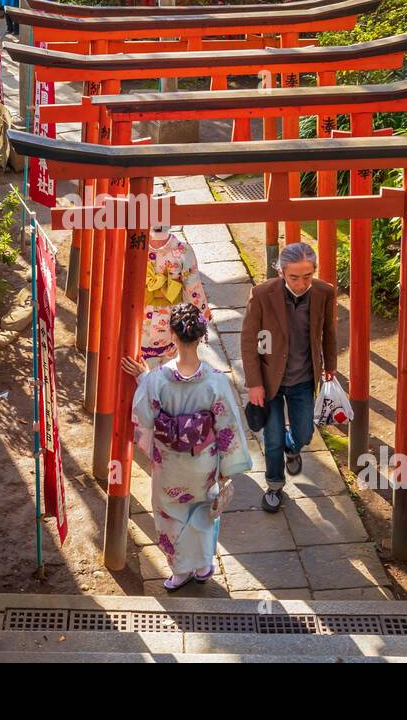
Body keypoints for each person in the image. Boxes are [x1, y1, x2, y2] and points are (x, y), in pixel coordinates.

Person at [124, 302, 252, 591]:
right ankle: (204, 565)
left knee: (169, 514)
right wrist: (226, 468)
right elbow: (228, 426)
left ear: (172, 334)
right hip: (203, 462)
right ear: (202, 336)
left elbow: (144, 416)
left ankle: (180, 571)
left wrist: (142, 378)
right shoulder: (216, 382)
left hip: (169, 463)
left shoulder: (157, 380)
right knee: (203, 510)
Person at [240, 241, 338, 513]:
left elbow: (329, 331)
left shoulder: (324, 292)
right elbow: (249, 341)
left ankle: (293, 448)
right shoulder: (262, 294)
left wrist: (330, 365)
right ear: (282, 272)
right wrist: (255, 383)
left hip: (304, 377)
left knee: (305, 432)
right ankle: (274, 486)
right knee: (271, 439)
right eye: (294, 277)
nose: (301, 283)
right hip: (270, 379)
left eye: (307, 276)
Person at [143, 226, 209, 367]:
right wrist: (202, 316)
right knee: (168, 370)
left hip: (140, 319)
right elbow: (193, 289)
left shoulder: (136, 247)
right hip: (170, 320)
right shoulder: (182, 251)